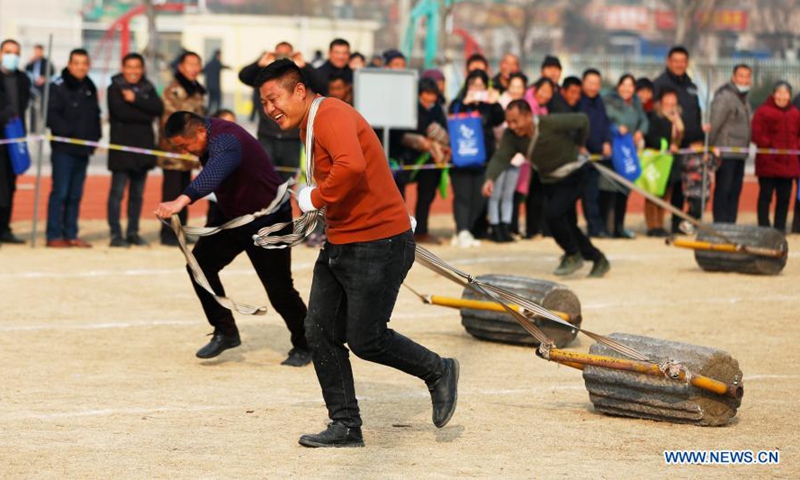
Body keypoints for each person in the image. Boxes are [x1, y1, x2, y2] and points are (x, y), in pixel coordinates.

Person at [255, 59, 459, 447]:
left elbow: (350, 166)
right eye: (263, 102)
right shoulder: (310, 124)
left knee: (367, 339)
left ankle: (438, 369)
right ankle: (346, 425)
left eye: (273, 98)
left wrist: (314, 196)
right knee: (318, 331)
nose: (269, 108)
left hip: (379, 242)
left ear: (299, 91)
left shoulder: (330, 113)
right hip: (342, 241)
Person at [154, 111, 311, 365]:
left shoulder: (227, 139)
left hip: (268, 220)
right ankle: (225, 331)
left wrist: (181, 201)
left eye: (185, 145)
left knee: (279, 289)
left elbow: (215, 171)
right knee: (199, 266)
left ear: (201, 132)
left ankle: (307, 344)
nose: (185, 152)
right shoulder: (206, 138)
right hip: (232, 216)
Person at [483, 100, 609, 277]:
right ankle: (597, 259)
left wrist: (580, 144)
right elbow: (500, 157)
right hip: (550, 181)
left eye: (515, 121)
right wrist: (490, 178)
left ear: (528, 116)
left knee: (553, 214)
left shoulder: (550, 123)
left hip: (574, 174)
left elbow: (582, 120)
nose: (512, 126)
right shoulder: (511, 137)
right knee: (567, 225)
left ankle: (572, 254)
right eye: (508, 122)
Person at [106, 53, 164, 248]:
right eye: (129, 67)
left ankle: (133, 232)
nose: (133, 71)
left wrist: (135, 99)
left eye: (137, 67)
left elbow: (158, 109)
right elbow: (120, 113)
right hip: (121, 150)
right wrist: (145, 113)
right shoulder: (114, 88)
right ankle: (116, 234)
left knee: (137, 195)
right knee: (117, 194)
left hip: (143, 150)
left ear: (142, 69)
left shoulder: (148, 87)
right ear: (123, 68)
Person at [45, 49, 101, 248]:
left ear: (88, 65)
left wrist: (94, 138)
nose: (80, 67)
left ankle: (71, 234)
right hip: (64, 149)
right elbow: (51, 116)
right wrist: (72, 135)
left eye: (84, 63)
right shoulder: (57, 86)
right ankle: (54, 235)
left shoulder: (90, 86)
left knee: (75, 194)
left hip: (83, 150)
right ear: (69, 65)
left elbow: (95, 115)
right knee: (60, 192)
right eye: (76, 63)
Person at [239, 42, 316, 181]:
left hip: (292, 137)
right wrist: (259, 64)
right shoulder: (265, 76)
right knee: (264, 176)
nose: (282, 58)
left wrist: (305, 66)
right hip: (267, 135)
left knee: (289, 179)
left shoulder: (298, 76)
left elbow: (320, 84)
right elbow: (244, 76)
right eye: (279, 54)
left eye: (286, 55)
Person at [448, 69, 505, 248]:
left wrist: (494, 103)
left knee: (480, 198)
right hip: (462, 157)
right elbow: (451, 118)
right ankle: (462, 230)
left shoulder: (488, 106)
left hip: (483, 159)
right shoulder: (458, 103)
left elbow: (499, 119)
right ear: (467, 86)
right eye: (474, 85)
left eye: (481, 85)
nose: (477, 89)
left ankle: (466, 230)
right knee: (463, 196)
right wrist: (465, 104)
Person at [653, 46, 705, 234]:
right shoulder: (659, 84)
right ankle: (656, 225)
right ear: (669, 61)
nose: (679, 65)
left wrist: (699, 138)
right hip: (669, 145)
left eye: (682, 61)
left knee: (683, 188)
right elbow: (655, 114)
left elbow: (696, 115)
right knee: (665, 186)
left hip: (690, 146)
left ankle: (678, 223)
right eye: (675, 61)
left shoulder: (691, 86)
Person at [158, 51, 206, 246]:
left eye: (197, 64)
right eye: (190, 64)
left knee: (185, 193)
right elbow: (168, 123)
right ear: (181, 67)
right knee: (171, 194)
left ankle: (181, 232)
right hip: (174, 153)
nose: (194, 68)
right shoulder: (173, 90)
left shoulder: (197, 90)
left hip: (190, 153)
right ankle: (168, 234)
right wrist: (184, 143)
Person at [603, 74, 649, 239]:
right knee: (610, 190)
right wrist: (616, 128)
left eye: (630, 85)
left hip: (628, 151)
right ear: (618, 86)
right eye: (624, 85)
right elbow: (603, 121)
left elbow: (644, 121)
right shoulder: (608, 101)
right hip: (613, 149)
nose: (627, 89)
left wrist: (640, 131)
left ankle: (620, 226)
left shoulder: (636, 103)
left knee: (624, 189)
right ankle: (607, 227)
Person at [751, 82, 800, 233]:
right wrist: (769, 145)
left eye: (786, 93)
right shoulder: (763, 111)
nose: (782, 97)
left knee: (784, 198)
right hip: (768, 163)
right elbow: (756, 133)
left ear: (790, 96)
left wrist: (795, 148)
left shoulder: (795, 114)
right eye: (779, 93)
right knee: (766, 196)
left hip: (788, 165)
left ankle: (780, 227)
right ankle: (763, 226)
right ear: (773, 94)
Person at [709, 64, 752, 224]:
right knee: (724, 189)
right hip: (726, 152)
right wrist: (711, 146)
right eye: (741, 76)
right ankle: (720, 223)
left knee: (735, 191)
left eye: (747, 76)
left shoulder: (744, 99)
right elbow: (715, 124)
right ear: (733, 77)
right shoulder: (724, 97)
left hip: (740, 153)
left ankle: (731, 223)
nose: (744, 80)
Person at [489, 72, 528, 242]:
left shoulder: (525, 107)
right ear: (508, 87)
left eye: (520, 87)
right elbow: (497, 130)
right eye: (513, 86)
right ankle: (495, 227)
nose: (516, 90)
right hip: (501, 156)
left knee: (508, 194)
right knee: (495, 194)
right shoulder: (500, 104)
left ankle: (506, 227)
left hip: (517, 158)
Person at [0, 38, 31, 245]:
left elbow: (24, 106)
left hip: (15, 137)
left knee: (10, 185)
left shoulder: (23, 79)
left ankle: (4, 228)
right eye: (8, 52)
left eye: (16, 53)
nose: (12, 56)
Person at [518, 77, 555, 239]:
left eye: (549, 92)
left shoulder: (544, 109)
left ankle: (539, 228)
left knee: (539, 193)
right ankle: (529, 229)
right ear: (536, 89)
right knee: (527, 194)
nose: (545, 95)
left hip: (541, 157)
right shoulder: (526, 104)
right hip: (525, 158)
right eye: (543, 91)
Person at [644, 87, 684, 237]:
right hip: (657, 161)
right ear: (661, 102)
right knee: (653, 194)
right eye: (667, 102)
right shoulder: (655, 118)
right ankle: (652, 226)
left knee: (665, 194)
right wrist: (666, 146)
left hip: (671, 162)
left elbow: (680, 137)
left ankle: (660, 224)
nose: (670, 104)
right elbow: (652, 137)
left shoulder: (677, 119)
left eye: (673, 102)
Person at [578, 68, 612, 238]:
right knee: (583, 194)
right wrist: (581, 145)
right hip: (582, 156)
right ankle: (591, 227)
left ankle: (596, 227)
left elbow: (605, 123)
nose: (593, 87)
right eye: (590, 83)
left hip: (597, 156)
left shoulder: (599, 102)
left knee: (594, 194)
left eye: (596, 83)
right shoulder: (578, 102)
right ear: (583, 83)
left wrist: (606, 142)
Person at [24, 43, 54, 132]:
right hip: (33, 87)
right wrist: (31, 61)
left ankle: (42, 126)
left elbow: (52, 72)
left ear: (42, 51)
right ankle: (33, 127)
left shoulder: (46, 62)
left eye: (38, 51)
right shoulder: (33, 62)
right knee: (32, 107)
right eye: (35, 51)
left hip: (42, 87)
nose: (37, 53)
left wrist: (44, 78)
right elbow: (25, 69)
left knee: (42, 106)